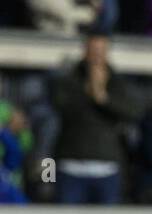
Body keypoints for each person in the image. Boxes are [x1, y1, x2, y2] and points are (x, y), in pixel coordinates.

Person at [50, 31, 139, 205]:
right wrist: (88, 90)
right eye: (93, 50)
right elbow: (61, 107)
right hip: (71, 167)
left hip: (107, 169)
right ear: (85, 51)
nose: (97, 56)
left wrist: (103, 98)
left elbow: (132, 112)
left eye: (101, 50)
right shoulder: (68, 80)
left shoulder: (118, 82)